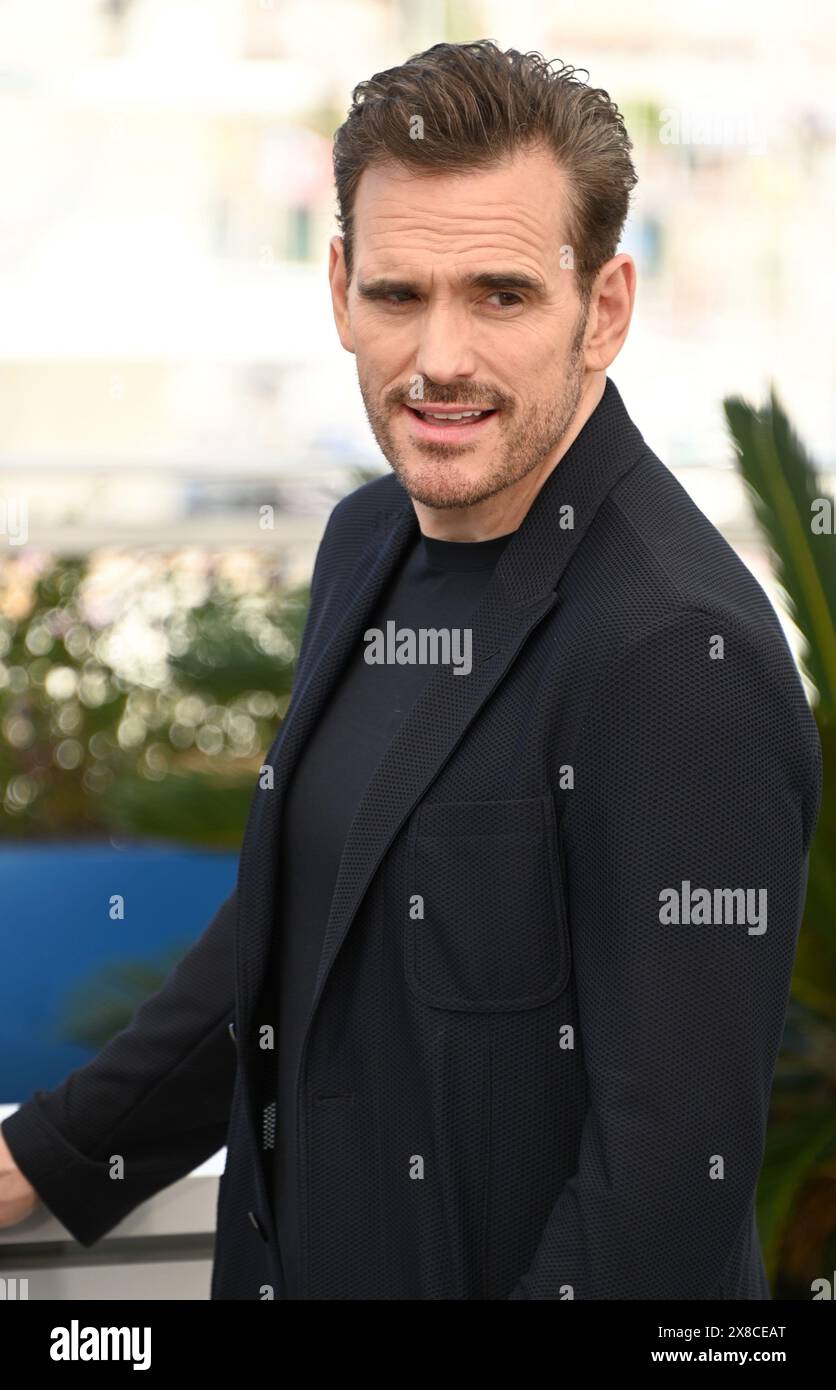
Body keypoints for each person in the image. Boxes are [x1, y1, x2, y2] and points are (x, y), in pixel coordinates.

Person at [0, 40, 822, 1300]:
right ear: (339, 290)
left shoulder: (676, 652)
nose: (439, 358)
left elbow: (661, 1185)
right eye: (397, 293)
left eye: (500, 295)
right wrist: (39, 1160)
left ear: (603, 308)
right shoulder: (365, 538)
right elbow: (287, 930)